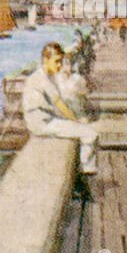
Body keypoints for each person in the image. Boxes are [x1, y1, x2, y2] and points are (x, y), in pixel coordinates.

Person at [22, 42, 99, 175]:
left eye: (61, 62)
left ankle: (83, 168)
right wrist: (76, 120)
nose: (59, 66)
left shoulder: (45, 75)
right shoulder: (43, 78)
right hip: (42, 124)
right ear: (46, 59)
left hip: (42, 121)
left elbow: (57, 104)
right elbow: (59, 103)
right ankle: (85, 168)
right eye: (56, 61)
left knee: (81, 130)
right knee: (90, 134)